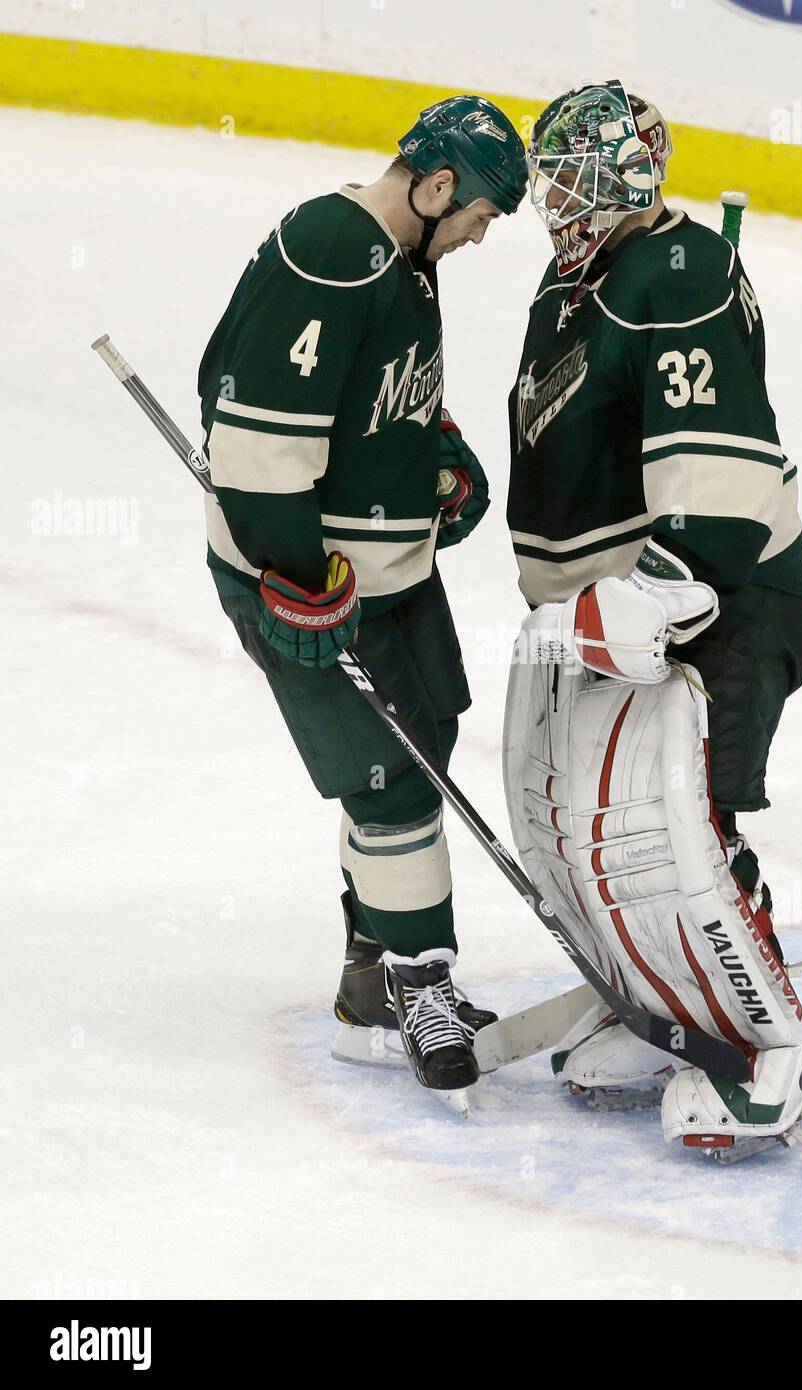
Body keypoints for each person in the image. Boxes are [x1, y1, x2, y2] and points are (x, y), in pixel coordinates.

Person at [198, 95, 527, 1092]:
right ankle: (418, 984)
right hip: (309, 584)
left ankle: (370, 975)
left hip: (388, 576)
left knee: (426, 743)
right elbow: (255, 450)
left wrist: (431, 459)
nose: (477, 236)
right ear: (433, 187)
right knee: (389, 787)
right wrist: (295, 586)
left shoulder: (397, 260)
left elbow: (364, 397)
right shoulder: (334, 253)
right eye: (477, 214)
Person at [506, 80, 802, 1100]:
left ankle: (772, 1048)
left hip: (708, 612)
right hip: (604, 623)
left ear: (624, 175)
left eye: (571, 179)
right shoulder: (579, 283)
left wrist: (657, 593)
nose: (553, 200)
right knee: (614, 845)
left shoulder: (680, 271)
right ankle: (670, 1014)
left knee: (696, 835)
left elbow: (716, 479)